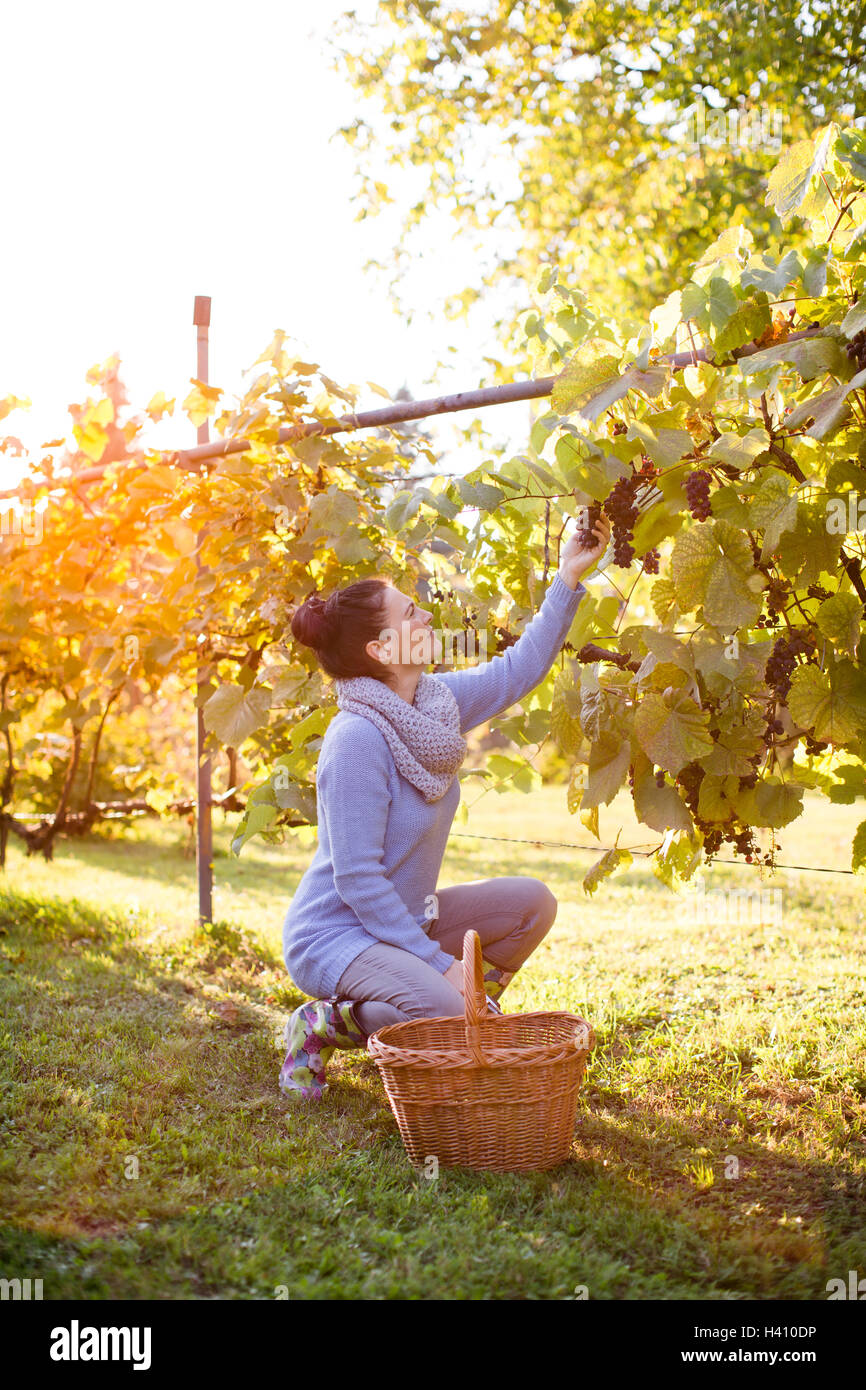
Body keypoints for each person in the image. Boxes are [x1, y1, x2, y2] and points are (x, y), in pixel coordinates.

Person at [279, 510, 611, 1099]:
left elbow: (518, 670)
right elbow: (357, 879)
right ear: (382, 648)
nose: (427, 613)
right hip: (338, 934)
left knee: (530, 905)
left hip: (408, 918)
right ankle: (329, 1021)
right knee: (440, 1003)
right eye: (411, 611)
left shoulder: (435, 704)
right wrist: (439, 966)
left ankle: (461, 1017)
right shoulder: (355, 738)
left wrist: (567, 577)